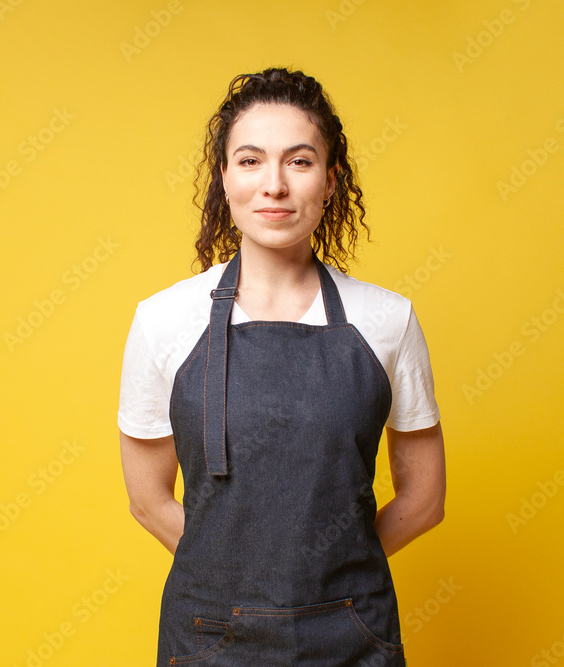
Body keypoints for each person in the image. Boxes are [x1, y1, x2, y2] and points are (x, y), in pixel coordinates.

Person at [119, 66, 445, 666]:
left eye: (299, 161)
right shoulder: (162, 320)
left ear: (330, 181)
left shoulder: (388, 319)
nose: (274, 185)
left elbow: (424, 499)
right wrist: (231, 581)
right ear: (224, 178)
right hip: (208, 634)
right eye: (249, 161)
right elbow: (147, 499)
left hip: (353, 633)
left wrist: (335, 578)